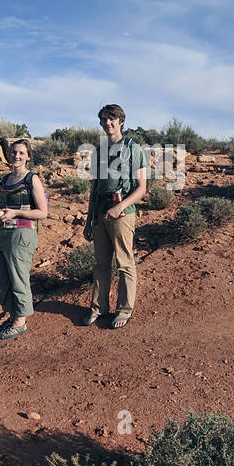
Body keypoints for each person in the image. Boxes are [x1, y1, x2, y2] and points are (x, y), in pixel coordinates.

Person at [88, 103, 150, 328]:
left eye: (112, 118)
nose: (108, 123)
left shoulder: (133, 149)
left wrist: (120, 206)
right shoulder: (98, 152)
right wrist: (89, 219)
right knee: (101, 264)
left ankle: (124, 310)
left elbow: (142, 188)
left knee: (124, 263)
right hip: (99, 213)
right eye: (104, 119)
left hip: (122, 213)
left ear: (121, 121)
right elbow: (93, 189)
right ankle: (98, 308)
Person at [0, 136, 48, 338]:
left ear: (28, 157)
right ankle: (13, 316)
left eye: (21, 153)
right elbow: (5, 205)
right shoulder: (5, 179)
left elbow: (42, 212)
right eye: (14, 152)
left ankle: (21, 322)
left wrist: (16, 213)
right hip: (4, 232)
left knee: (18, 277)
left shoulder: (32, 179)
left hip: (23, 233)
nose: (17, 155)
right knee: (4, 278)